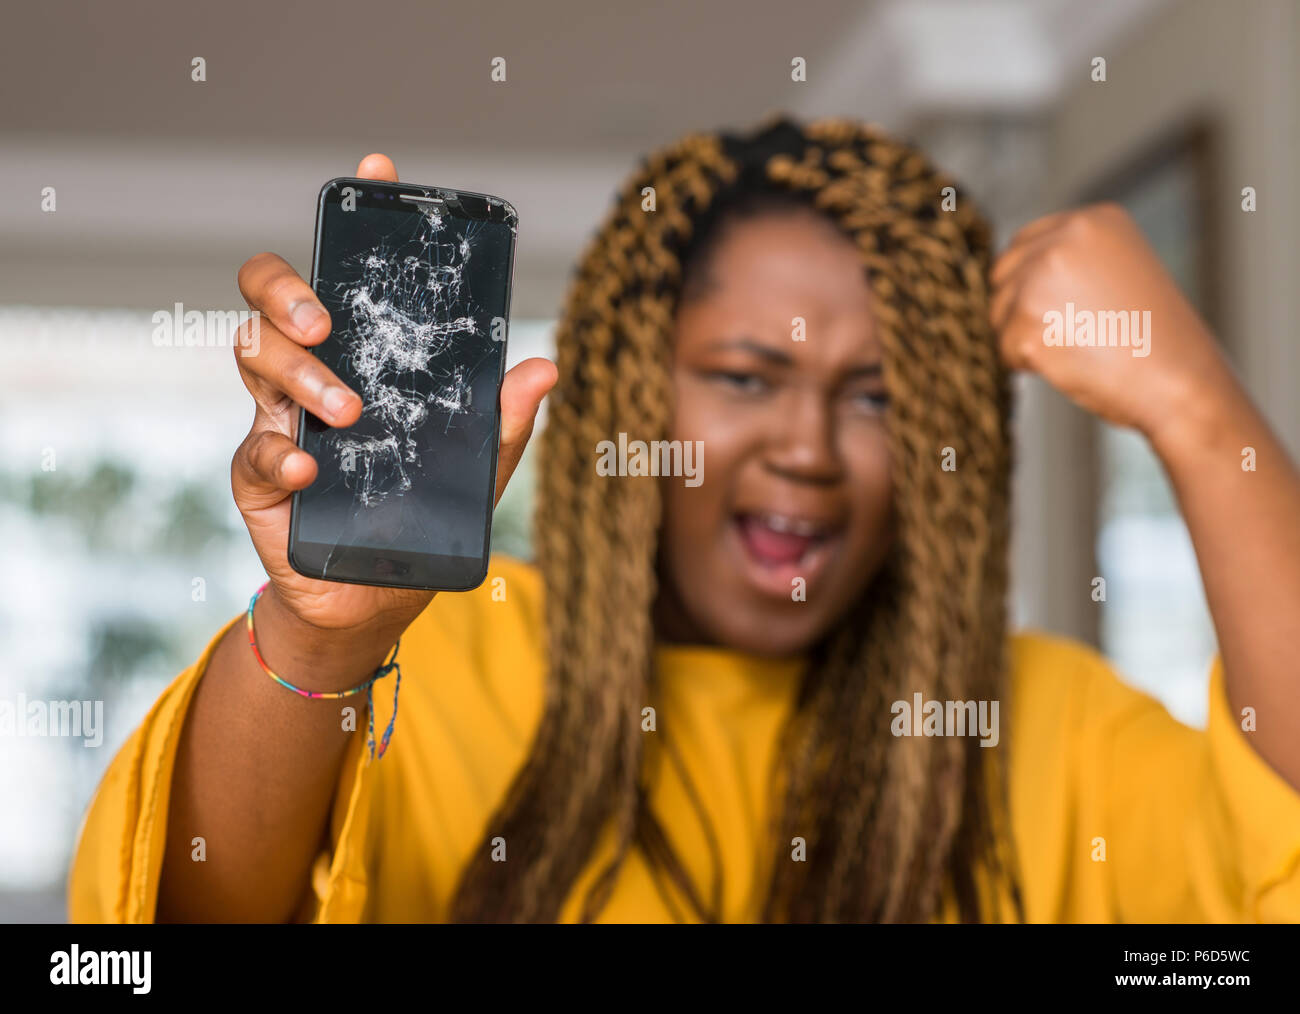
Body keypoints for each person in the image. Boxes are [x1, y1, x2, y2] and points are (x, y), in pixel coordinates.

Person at [68, 116, 1300, 923]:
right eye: (748, 378)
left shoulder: (1040, 725)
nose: (808, 451)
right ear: (631, 388)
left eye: (874, 396)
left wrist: (1197, 410)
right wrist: (321, 640)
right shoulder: (437, 655)